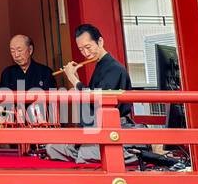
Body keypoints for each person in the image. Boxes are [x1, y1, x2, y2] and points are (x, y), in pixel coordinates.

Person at [45, 24, 136, 165]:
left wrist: (74, 80)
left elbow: (97, 100)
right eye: (81, 49)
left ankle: (131, 154)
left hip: (113, 129)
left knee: (85, 154)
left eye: (88, 47)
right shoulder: (100, 66)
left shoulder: (114, 68)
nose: (86, 53)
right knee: (52, 148)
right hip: (93, 130)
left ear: (100, 42)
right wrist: (77, 82)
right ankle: (88, 151)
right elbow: (90, 95)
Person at [0, 34, 54, 123]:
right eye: (12, 51)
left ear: (30, 50)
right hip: (14, 125)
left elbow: (52, 103)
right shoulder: (7, 73)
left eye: (19, 50)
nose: (16, 55)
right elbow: (0, 101)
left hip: (39, 124)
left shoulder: (45, 72)